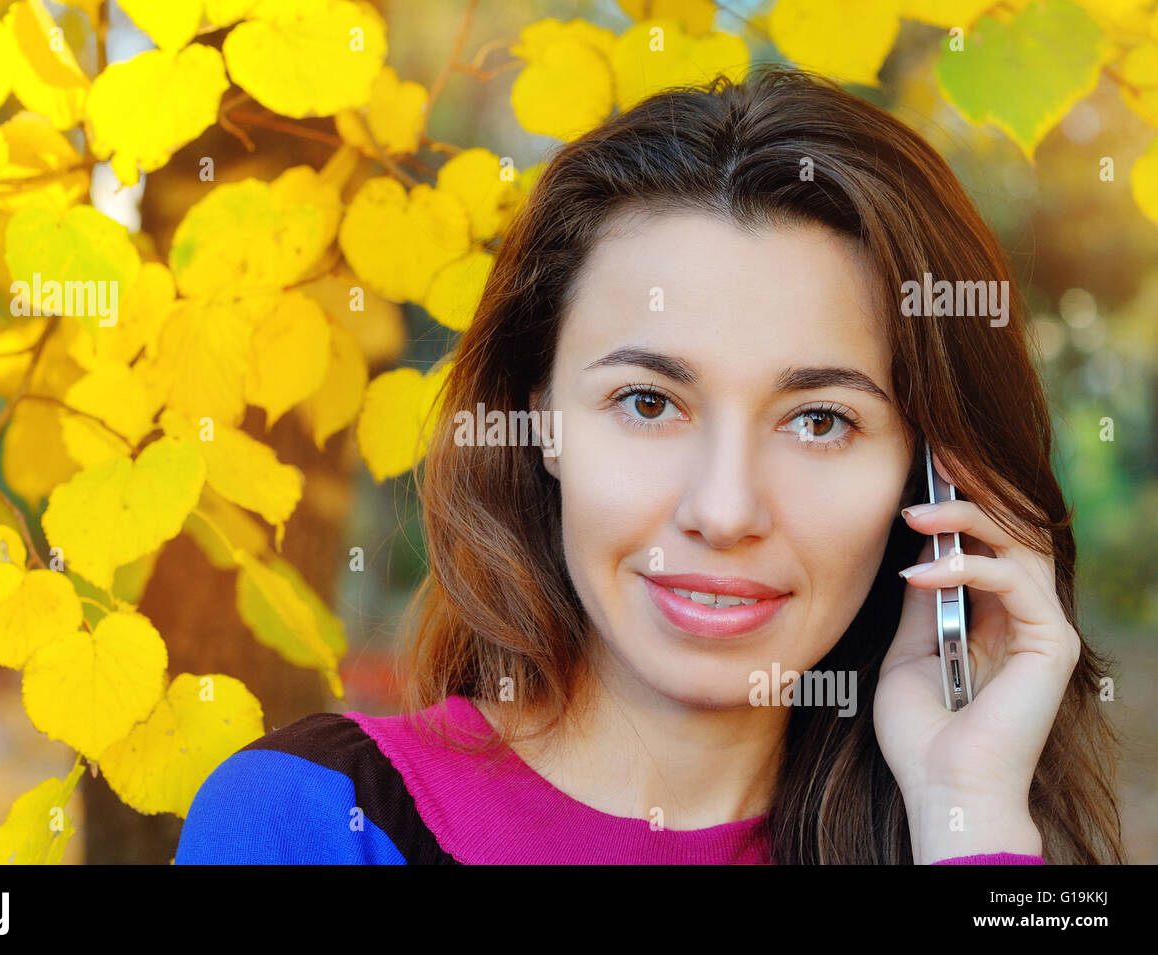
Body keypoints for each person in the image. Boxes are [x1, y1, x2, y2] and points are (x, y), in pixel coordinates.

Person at [175, 66, 1124, 865]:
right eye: (648, 403)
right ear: (539, 420)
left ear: (933, 484)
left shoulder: (962, 834)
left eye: (821, 420)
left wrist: (967, 808)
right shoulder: (305, 822)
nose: (724, 509)